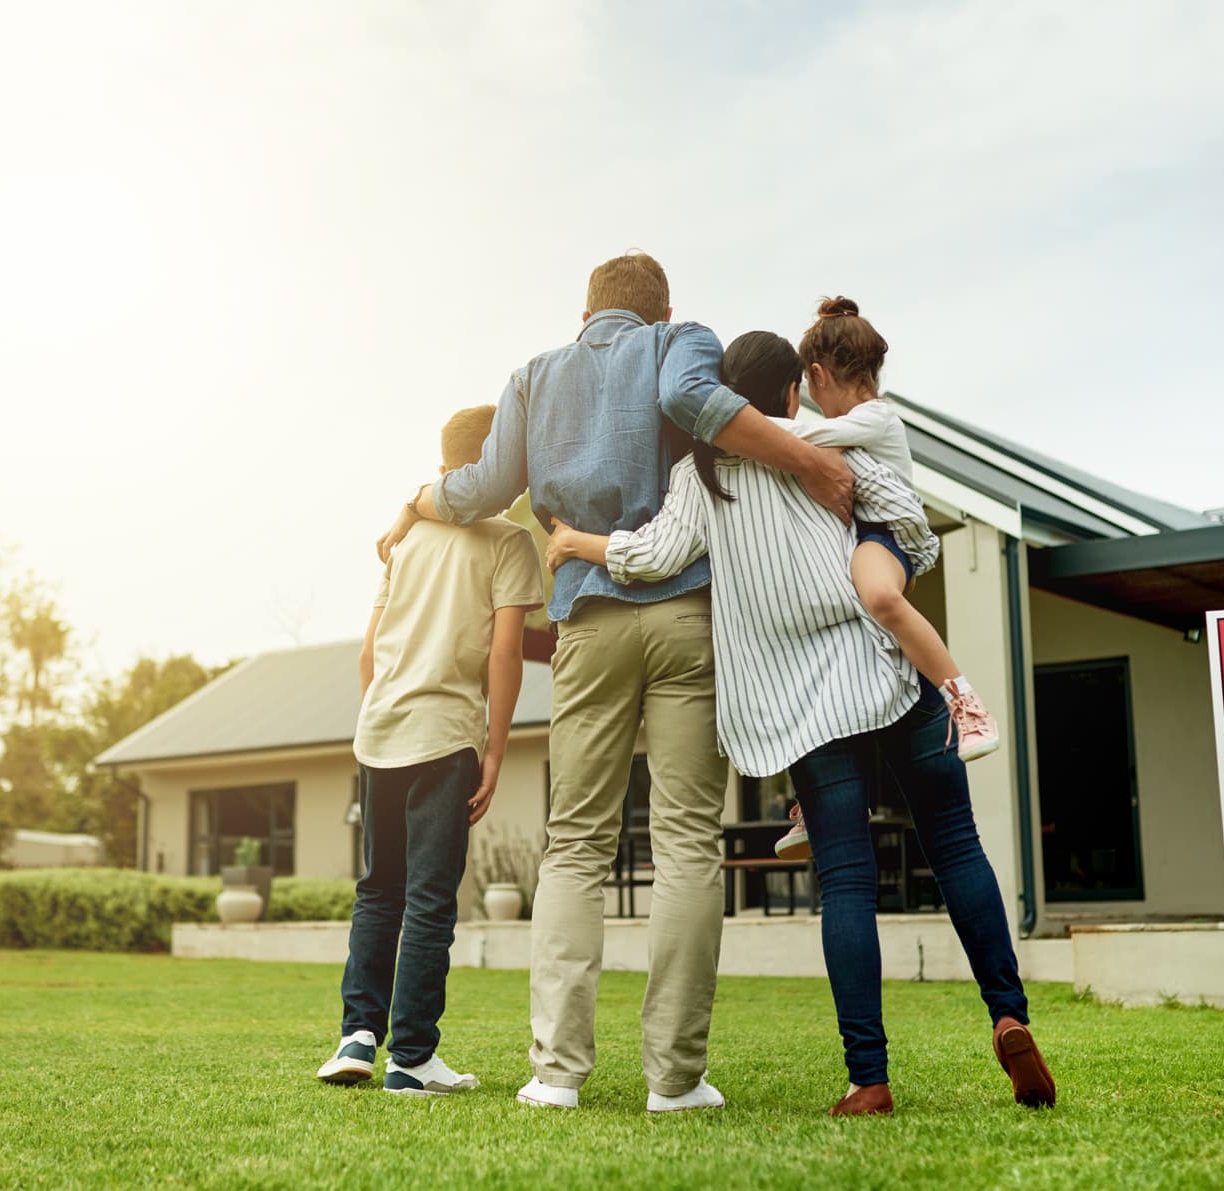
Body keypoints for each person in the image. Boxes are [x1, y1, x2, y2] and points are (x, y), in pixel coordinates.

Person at [376, 252, 855, 1113]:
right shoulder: (682, 339)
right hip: (684, 620)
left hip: (587, 622)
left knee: (576, 845)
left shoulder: (534, 374)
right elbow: (688, 403)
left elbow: (486, 486)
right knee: (683, 844)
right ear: (660, 309)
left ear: (584, 314)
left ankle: (555, 1073)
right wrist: (806, 460)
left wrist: (420, 496)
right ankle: (673, 1079)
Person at [547, 321, 1055, 1117]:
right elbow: (907, 524)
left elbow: (651, 556)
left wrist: (574, 541)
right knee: (955, 845)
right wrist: (887, 561)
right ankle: (1007, 1013)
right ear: (791, 391)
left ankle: (868, 1078)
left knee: (846, 881)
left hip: (803, 709)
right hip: (883, 672)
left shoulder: (699, 472)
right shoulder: (826, 446)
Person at [318, 404, 543, 1096]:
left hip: (379, 732)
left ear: (444, 469)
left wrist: (380, 715)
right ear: (499, 468)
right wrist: (495, 749)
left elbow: (367, 652)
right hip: (444, 737)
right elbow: (505, 651)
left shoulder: (405, 540)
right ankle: (411, 1056)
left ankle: (357, 1035)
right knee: (428, 898)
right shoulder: (508, 542)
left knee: (377, 890)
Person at [772, 297, 998, 860]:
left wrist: (733, 424)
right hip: (859, 543)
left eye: (809, 385)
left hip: (885, 539)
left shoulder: (875, 417)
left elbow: (799, 443)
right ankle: (811, 799)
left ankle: (964, 702)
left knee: (876, 596)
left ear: (819, 375)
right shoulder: (856, 420)